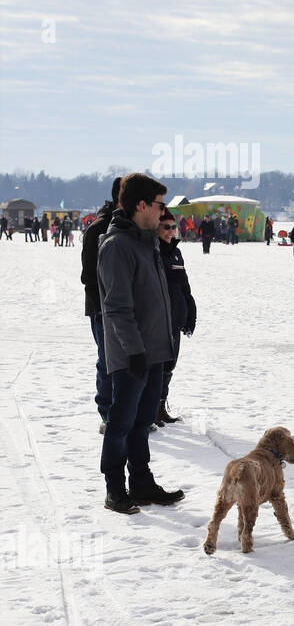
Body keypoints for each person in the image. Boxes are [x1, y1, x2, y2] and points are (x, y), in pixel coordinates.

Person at [97, 173, 185, 514]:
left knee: (142, 421)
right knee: (121, 423)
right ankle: (115, 489)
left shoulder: (147, 241)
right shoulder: (117, 245)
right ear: (142, 205)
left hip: (153, 351)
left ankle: (142, 482)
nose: (164, 212)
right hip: (131, 354)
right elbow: (117, 307)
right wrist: (133, 350)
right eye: (160, 204)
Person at [81, 177, 122, 433]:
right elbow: (88, 275)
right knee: (107, 362)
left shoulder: (132, 225)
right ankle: (108, 415)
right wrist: (105, 305)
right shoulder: (100, 227)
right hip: (102, 308)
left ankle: (127, 412)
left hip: (127, 308)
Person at [156, 209, 196, 426]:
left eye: (173, 227)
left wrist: (191, 310)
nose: (171, 231)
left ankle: (161, 406)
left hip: (176, 317)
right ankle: (152, 408)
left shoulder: (176, 252)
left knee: (170, 365)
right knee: (159, 366)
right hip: (160, 319)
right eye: (166, 227)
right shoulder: (154, 251)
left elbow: (184, 285)